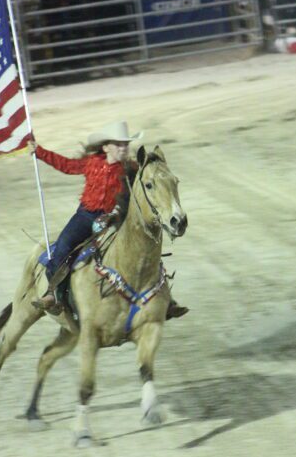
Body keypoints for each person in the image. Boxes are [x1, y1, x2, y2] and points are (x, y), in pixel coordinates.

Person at [30, 121, 188, 318]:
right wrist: (40, 152)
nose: (123, 148)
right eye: (118, 144)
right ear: (106, 147)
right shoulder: (91, 163)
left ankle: (166, 300)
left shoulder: (131, 169)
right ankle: (53, 294)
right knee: (64, 245)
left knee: (144, 248)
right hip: (85, 215)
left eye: (125, 144)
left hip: (115, 217)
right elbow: (66, 165)